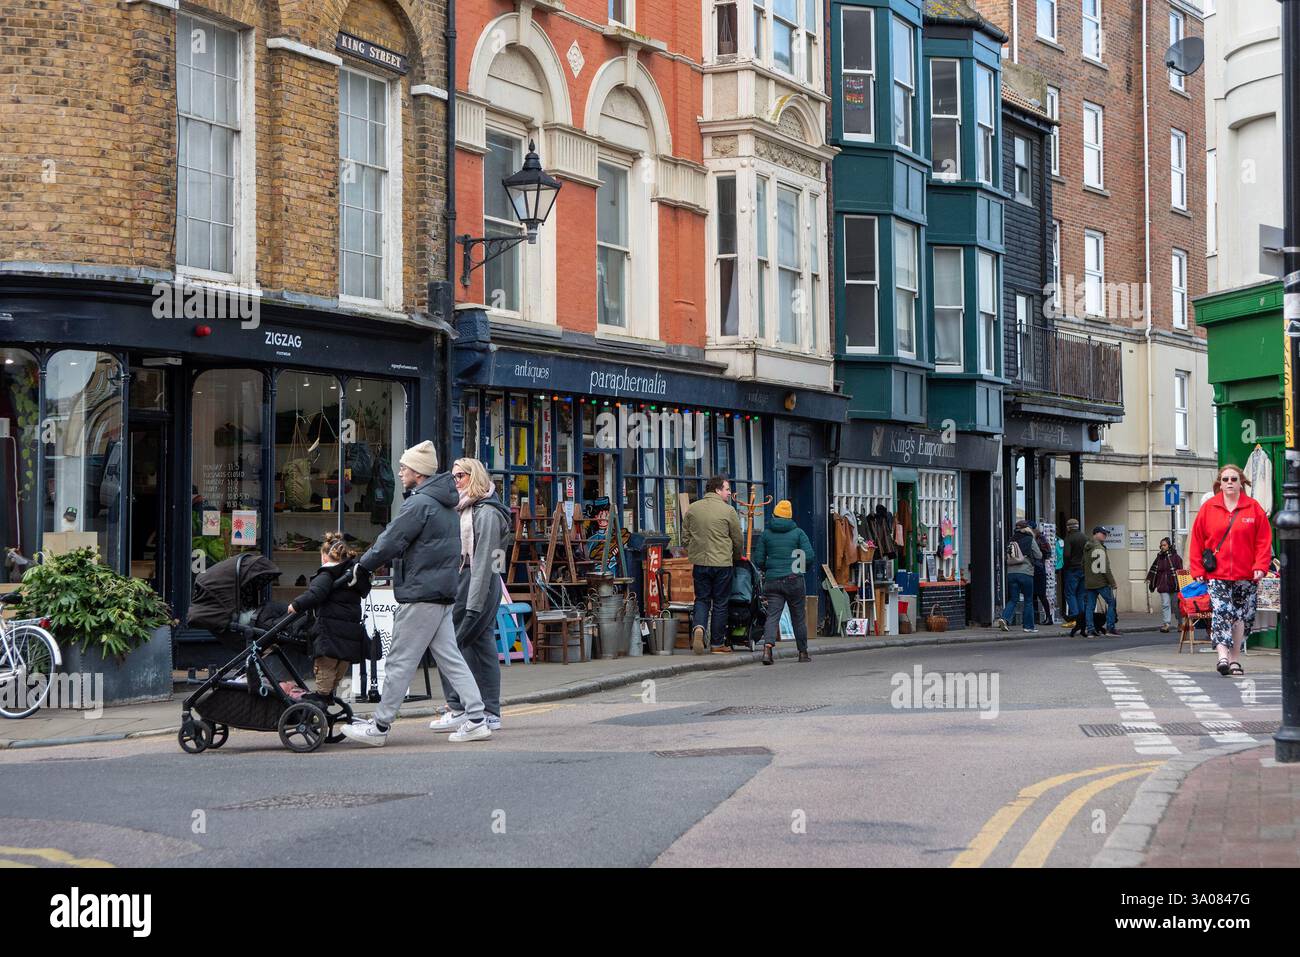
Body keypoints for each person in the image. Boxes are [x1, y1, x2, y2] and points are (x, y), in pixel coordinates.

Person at [340, 441, 491, 746]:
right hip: (441, 593)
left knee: (399, 660)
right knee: (451, 659)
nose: (400, 471)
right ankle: (476, 718)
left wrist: (362, 565)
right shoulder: (445, 503)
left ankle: (379, 727)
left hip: (421, 594)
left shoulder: (420, 504)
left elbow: (391, 540)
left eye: (405, 467)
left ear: (419, 472)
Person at [430, 458, 512, 734]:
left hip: (478, 584)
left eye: (460, 475)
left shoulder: (487, 513)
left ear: (474, 476)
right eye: (452, 476)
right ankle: (486, 711)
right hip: (469, 583)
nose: (455, 481)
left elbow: (489, 563)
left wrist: (477, 602)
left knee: (450, 644)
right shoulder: (465, 508)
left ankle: (462, 708)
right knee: (480, 645)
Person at [1188, 464, 1273, 676]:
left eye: (1233, 479)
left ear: (1241, 482)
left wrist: (1260, 566)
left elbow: (1263, 541)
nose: (1229, 483)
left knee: (1240, 617)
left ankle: (1235, 659)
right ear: (1219, 483)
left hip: (1246, 574)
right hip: (1217, 574)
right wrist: (1197, 567)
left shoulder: (1253, 508)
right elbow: (1197, 540)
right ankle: (1222, 657)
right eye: (1225, 479)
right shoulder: (1209, 508)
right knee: (1222, 611)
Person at [287, 532, 372, 704]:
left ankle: (322, 696)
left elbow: (315, 593)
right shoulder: (353, 577)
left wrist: (296, 605)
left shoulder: (327, 574)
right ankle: (329, 694)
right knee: (340, 665)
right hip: (349, 634)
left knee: (325, 665)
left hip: (329, 633)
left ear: (326, 557)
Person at [682, 475, 743, 655]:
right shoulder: (728, 511)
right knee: (720, 602)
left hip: (700, 563)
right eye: (727, 489)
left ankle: (699, 627)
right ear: (717, 490)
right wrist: (736, 557)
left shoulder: (693, 509)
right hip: (723, 563)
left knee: (701, 599)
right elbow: (737, 538)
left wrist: (693, 550)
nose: (729, 493)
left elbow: (685, 537)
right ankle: (717, 643)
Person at [752, 499, 815, 665]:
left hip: (773, 581)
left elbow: (758, 559)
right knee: (798, 617)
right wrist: (798, 568)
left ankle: (767, 650)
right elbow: (808, 556)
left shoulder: (766, 534)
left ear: (774, 515)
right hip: (794, 580)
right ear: (790, 517)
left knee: (772, 615)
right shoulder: (798, 533)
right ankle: (802, 653)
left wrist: (770, 568)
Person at [995, 519, 1041, 633]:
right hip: (1025, 573)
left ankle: (1004, 618)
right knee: (1029, 600)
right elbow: (1038, 555)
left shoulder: (1011, 540)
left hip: (1011, 573)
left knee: (1013, 599)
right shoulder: (1030, 539)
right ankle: (1028, 626)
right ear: (1027, 528)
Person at [1083, 525, 1118, 637]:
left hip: (1089, 582)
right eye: (1103, 533)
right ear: (1096, 534)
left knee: (1090, 606)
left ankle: (1090, 630)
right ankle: (1110, 628)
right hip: (1101, 582)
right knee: (1111, 603)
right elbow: (1105, 568)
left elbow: (1082, 564)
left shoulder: (1087, 547)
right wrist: (1112, 582)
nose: (1105, 535)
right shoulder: (1100, 548)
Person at [1145, 537, 1184, 633]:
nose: (1162, 547)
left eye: (1164, 545)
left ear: (1169, 545)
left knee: (1177, 606)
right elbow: (1155, 571)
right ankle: (1166, 624)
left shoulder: (1175, 557)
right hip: (1163, 585)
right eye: (1161, 545)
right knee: (1165, 604)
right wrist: (1153, 582)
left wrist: (1182, 584)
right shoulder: (1159, 557)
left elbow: (1180, 570)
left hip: (1174, 585)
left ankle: (1180, 623)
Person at [1061, 518, 1088, 635]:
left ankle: (1074, 618)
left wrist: (1065, 566)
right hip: (1084, 569)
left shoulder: (1068, 538)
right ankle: (1082, 619)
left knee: (1070, 593)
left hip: (1072, 569)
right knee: (1081, 595)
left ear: (1068, 527)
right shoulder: (1085, 537)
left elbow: (1066, 554)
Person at [1031, 523, 1052, 625]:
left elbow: (1048, 552)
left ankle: (1049, 617)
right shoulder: (1031, 537)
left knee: (1041, 594)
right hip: (1032, 568)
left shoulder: (1040, 538)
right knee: (1032, 595)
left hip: (1039, 568)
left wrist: (1040, 558)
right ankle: (1034, 618)